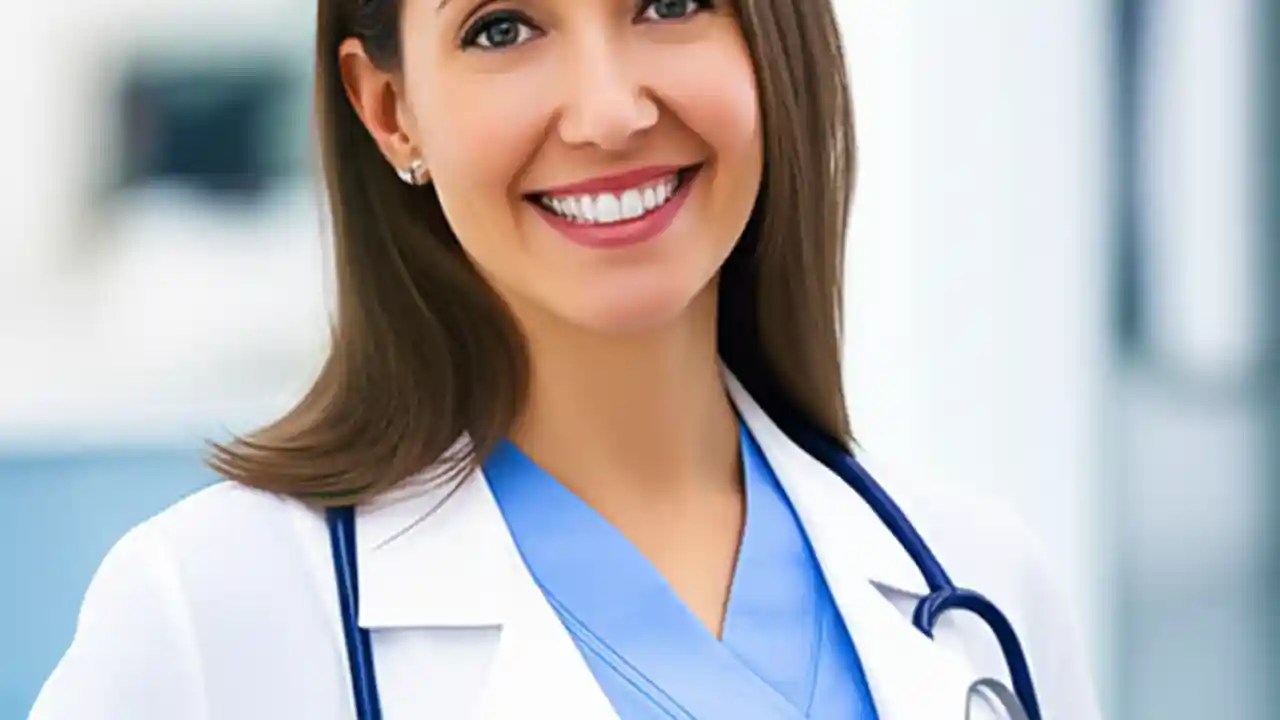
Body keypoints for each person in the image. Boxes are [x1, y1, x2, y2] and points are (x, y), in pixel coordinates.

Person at [30, 0, 1102, 718]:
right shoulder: (210, 613)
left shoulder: (977, 590)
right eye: (501, 27)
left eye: (669, 1)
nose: (607, 111)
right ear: (390, 111)